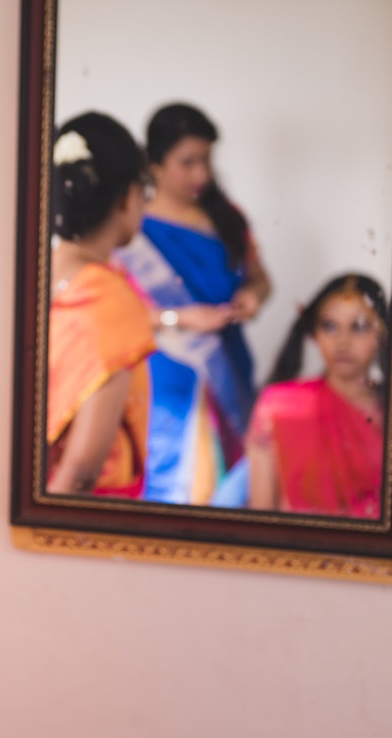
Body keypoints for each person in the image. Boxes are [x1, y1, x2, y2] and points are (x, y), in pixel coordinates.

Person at [117, 103, 272, 505]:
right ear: (154, 165)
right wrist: (180, 317)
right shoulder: (133, 230)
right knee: (176, 488)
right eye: (187, 162)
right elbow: (117, 313)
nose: (201, 174)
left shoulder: (226, 216)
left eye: (206, 160)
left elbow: (259, 277)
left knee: (234, 490)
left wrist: (252, 297)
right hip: (172, 376)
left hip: (230, 366)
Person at [46, 112, 155, 497]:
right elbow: (81, 470)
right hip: (83, 513)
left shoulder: (35, 274)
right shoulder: (109, 297)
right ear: (127, 195)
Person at [246, 273, 388, 518]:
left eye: (360, 326)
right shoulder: (280, 405)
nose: (342, 342)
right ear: (313, 333)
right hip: (298, 552)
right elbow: (261, 516)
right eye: (330, 326)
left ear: (382, 335)